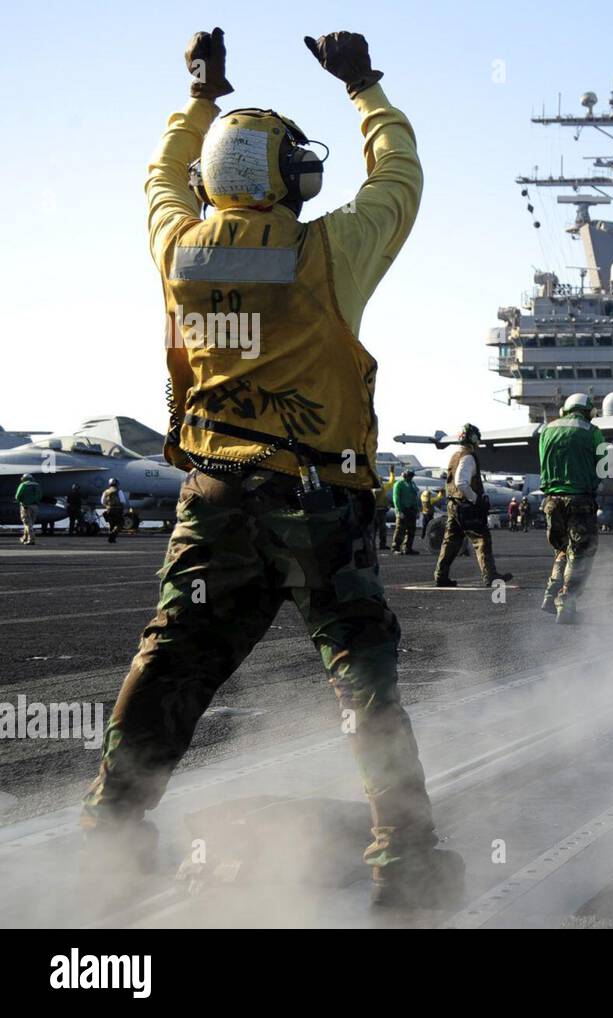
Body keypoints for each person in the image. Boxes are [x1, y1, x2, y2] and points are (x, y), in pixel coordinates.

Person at [80, 27, 462, 909]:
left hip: (212, 497)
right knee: (364, 681)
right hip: (316, 503)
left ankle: (111, 836)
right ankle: (404, 863)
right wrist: (364, 86)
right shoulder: (327, 254)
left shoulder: (177, 249)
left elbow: (159, 176)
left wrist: (200, 94)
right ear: (291, 177)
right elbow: (400, 177)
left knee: (171, 659)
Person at [538, 394, 606, 623]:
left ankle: (550, 595)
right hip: (580, 501)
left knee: (562, 549)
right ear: (588, 411)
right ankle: (566, 605)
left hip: (552, 501)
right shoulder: (591, 431)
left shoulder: (546, 430)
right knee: (580, 553)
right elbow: (604, 465)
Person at [432, 424, 512, 588]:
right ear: (473, 439)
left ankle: (441, 575)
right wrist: (475, 499)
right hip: (466, 506)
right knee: (482, 539)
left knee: (450, 541)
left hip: (453, 505)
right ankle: (490, 576)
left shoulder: (455, 456)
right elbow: (461, 482)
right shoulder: (468, 457)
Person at [390, 469, 420, 555]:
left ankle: (407, 548)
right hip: (403, 509)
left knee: (411, 530)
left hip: (411, 510)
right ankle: (395, 548)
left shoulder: (412, 484)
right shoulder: (399, 484)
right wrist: (399, 511)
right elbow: (396, 498)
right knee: (400, 529)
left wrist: (416, 509)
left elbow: (414, 497)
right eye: (410, 476)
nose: (411, 477)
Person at [15, 473, 42, 546]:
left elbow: (17, 496)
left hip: (25, 506)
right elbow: (40, 495)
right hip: (35, 506)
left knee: (27, 523)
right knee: (30, 524)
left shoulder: (23, 485)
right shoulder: (37, 485)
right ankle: (24, 538)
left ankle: (31, 540)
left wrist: (20, 501)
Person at [100, 479, 126, 544]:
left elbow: (102, 502)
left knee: (111, 524)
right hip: (117, 510)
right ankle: (113, 534)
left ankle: (112, 539)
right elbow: (123, 501)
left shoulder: (106, 491)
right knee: (120, 524)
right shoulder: (119, 491)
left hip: (109, 510)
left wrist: (107, 506)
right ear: (117, 484)